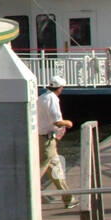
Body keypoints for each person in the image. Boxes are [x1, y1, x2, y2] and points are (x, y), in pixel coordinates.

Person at [37, 74, 75, 208]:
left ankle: (68, 198)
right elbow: (57, 121)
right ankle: (28, 194)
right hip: (47, 140)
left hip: (43, 139)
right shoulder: (52, 99)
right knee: (39, 171)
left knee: (56, 170)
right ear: (60, 88)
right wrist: (69, 123)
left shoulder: (41, 98)